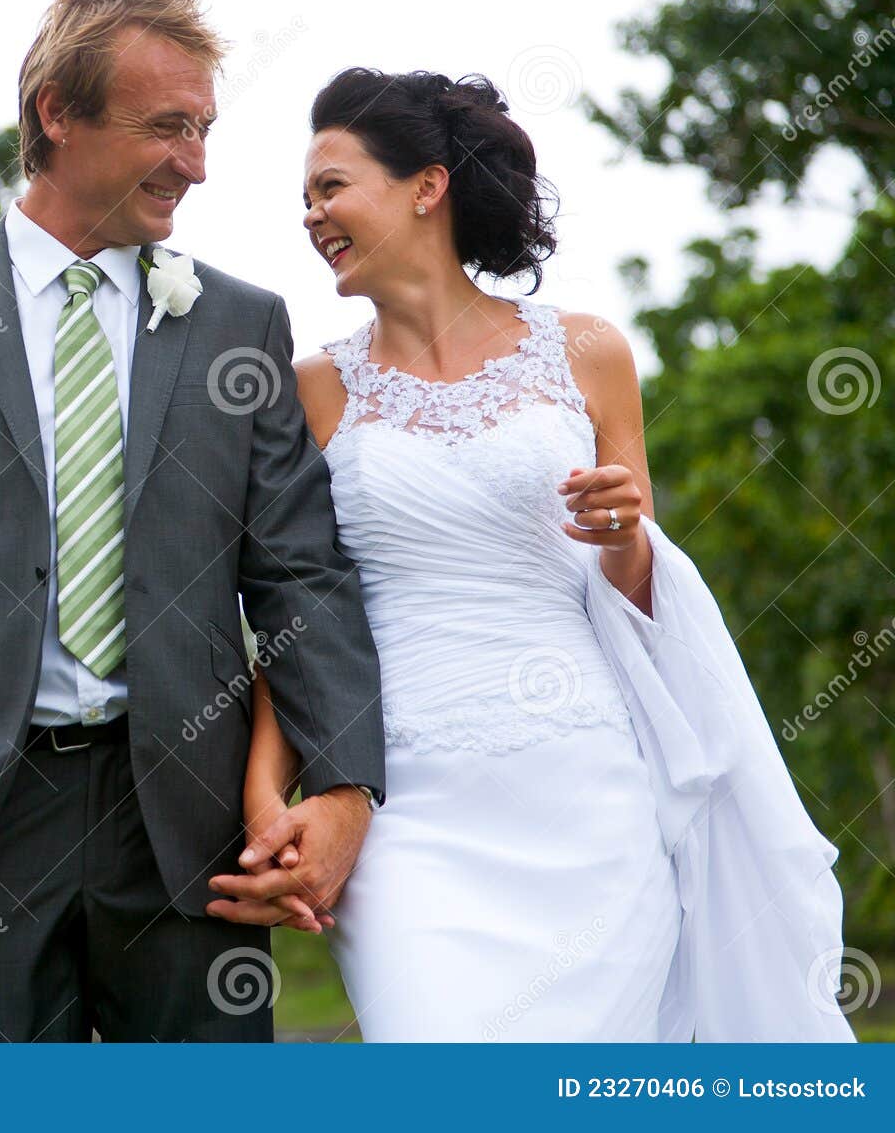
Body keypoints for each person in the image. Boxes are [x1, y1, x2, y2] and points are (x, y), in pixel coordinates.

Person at [208, 67, 856, 1041]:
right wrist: (267, 790)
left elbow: (633, 585)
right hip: (410, 810)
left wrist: (628, 534)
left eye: (331, 185)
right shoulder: (311, 389)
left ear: (426, 186)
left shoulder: (589, 352)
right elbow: (301, 608)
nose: (311, 212)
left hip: (585, 790)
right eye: (303, 196)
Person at [0, 0, 384, 1042]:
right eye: (167, 126)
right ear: (56, 114)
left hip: (188, 832)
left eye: (204, 128)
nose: (196, 163)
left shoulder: (238, 326)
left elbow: (301, 573)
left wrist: (345, 779)